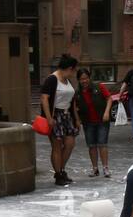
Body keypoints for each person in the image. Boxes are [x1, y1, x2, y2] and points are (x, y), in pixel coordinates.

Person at [40, 54, 80, 187]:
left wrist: (77, 119)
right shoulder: (52, 79)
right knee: (57, 146)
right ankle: (58, 174)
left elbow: (72, 102)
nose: (74, 73)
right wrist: (49, 118)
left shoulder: (67, 81)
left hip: (67, 115)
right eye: (73, 70)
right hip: (55, 115)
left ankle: (61, 170)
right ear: (69, 68)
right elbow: (44, 98)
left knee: (70, 143)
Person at [74, 67, 113, 178]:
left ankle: (105, 168)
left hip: (102, 120)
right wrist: (77, 120)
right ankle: (95, 169)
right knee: (91, 146)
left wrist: (106, 112)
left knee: (102, 144)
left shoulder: (99, 86)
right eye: (82, 79)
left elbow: (109, 98)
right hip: (88, 122)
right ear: (78, 80)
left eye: (86, 78)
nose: (84, 81)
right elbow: (74, 107)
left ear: (89, 78)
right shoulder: (77, 93)